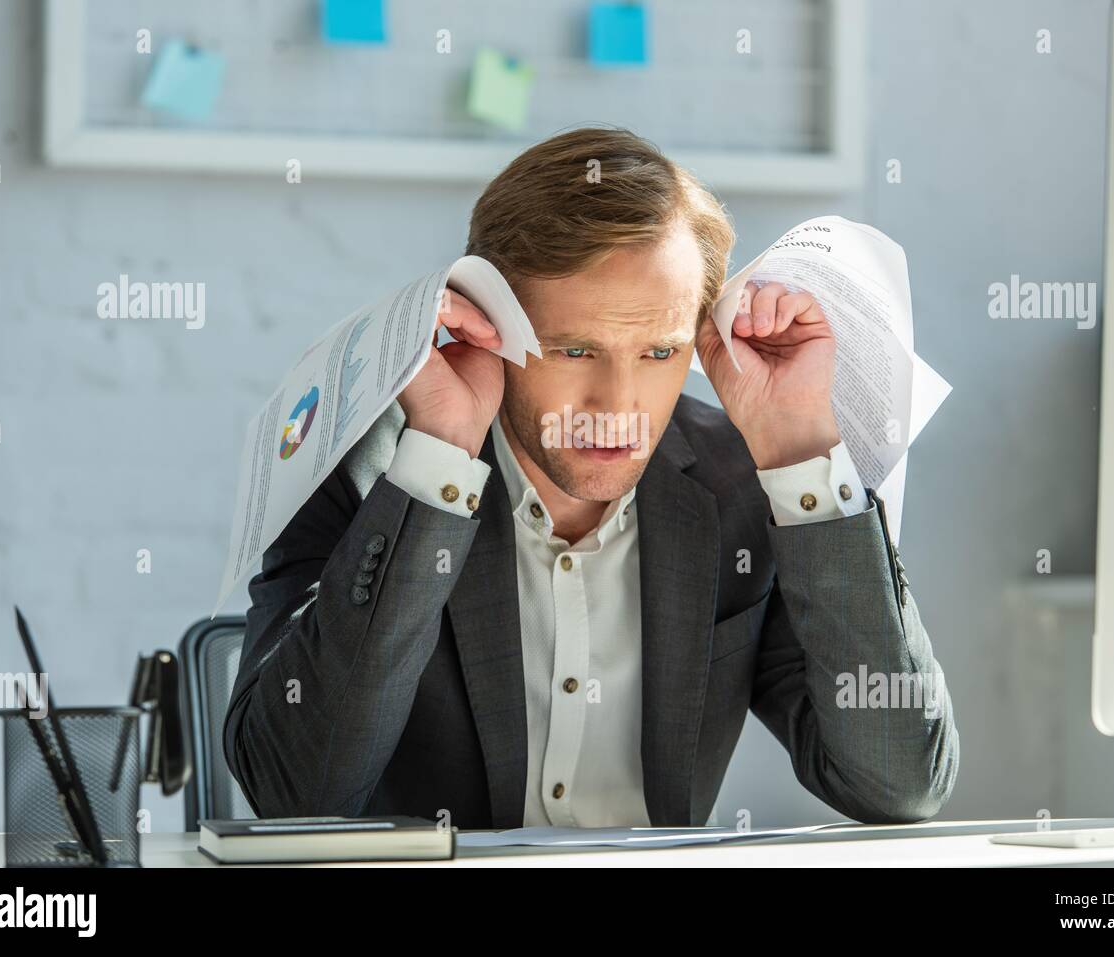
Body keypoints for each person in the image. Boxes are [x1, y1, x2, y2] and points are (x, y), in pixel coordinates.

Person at [224, 127, 958, 829]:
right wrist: (439, 454)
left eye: (659, 352)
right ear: (491, 323)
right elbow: (296, 795)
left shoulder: (741, 488)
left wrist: (802, 451)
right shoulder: (371, 479)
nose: (619, 406)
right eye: (574, 351)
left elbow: (898, 781)